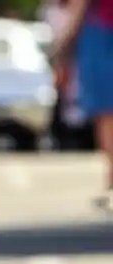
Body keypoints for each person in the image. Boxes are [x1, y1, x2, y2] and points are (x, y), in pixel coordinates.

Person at [55, 0, 113, 208]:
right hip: (100, 35)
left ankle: (112, 183)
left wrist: (62, 50)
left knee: (106, 117)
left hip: (101, 37)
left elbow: (77, 9)